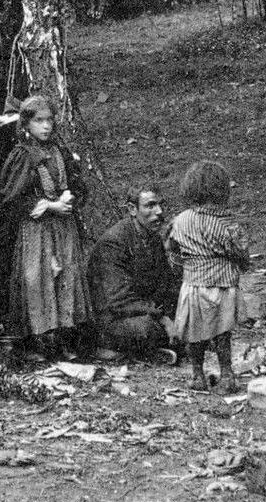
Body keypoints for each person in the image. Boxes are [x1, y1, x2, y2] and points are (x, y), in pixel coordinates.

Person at [0, 94, 92, 361]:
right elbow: (12, 198)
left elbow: (76, 184)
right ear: (26, 124)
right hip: (37, 230)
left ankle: (64, 340)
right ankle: (37, 344)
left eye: (49, 120)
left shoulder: (58, 151)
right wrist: (49, 206)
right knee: (37, 280)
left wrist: (69, 196)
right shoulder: (22, 155)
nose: (46, 126)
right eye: (39, 121)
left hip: (64, 228)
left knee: (66, 279)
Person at [166, 161, 250, 395]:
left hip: (193, 283)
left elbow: (172, 248)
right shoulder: (227, 223)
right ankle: (227, 375)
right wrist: (241, 264)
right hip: (222, 284)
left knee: (195, 333)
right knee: (222, 333)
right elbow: (240, 253)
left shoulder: (180, 220)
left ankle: (197, 375)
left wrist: (181, 265)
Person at [87, 186, 181, 363]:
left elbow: (165, 283)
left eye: (161, 205)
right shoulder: (113, 243)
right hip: (114, 318)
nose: (159, 212)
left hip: (142, 310)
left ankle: (158, 349)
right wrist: (162, 318)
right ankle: (117, 349)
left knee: (188, 313)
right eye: (150, 206)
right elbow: (117, 299)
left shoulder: (152, 236)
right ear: (132, 209)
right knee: (146, 328)